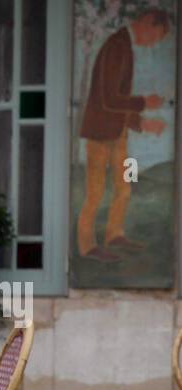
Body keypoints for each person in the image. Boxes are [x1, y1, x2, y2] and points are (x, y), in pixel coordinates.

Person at [77, 8, 171, 262]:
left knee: (124, 188)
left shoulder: (124, 46)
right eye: (156, 37)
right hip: (100, 135)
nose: (153, 44)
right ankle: (87, 246)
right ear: (146, 23)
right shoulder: (117, 46)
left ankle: (114, 234)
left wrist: (143, 124)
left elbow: (116, 104)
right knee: (96, 192)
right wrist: (144, 103)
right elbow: (108, 100)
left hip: (118, 135)